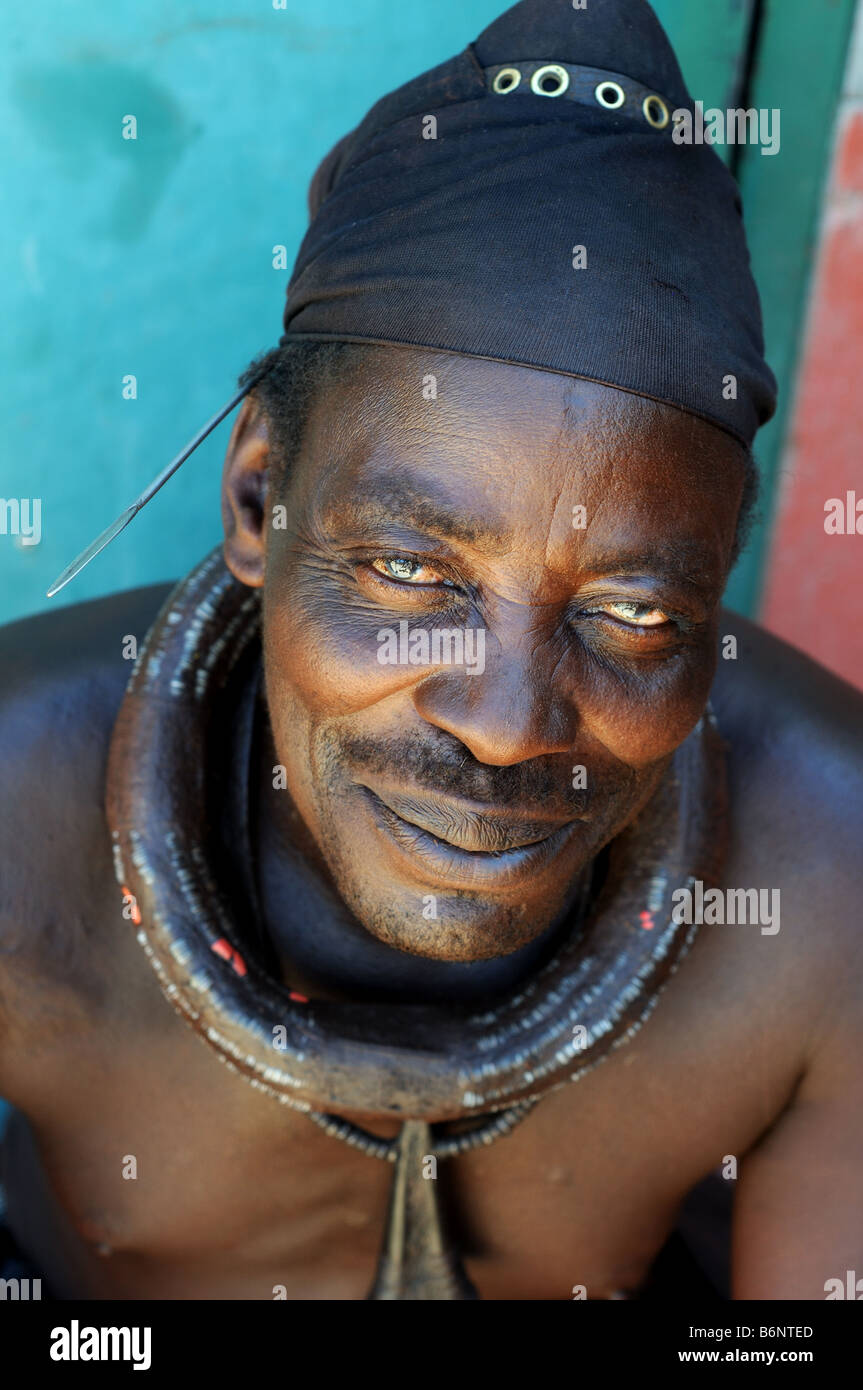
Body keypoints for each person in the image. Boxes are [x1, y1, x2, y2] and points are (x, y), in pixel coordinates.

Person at [1, 0, 862, 1301]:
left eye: (633, 613)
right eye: (412, 569)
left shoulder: (834, 876)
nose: (511, 722)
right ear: (255, 503)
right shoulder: (15, 815)